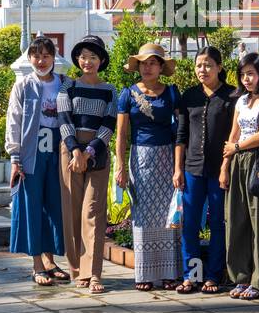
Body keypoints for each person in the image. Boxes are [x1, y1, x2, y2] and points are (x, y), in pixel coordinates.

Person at [115, 42, 182, 291]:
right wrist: (120, 166)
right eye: (144, 63)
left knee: (168, 214)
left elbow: (180, 133)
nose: (147, 67)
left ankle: (168, 272)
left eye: (153, 62)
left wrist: (178, 166)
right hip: (140, 158)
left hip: (167, 159)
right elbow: (121, 135)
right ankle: (144, 272)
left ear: (161, 67)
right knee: (142, 214)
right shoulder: (128, 94)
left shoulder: (172, 93)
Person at [5, 36, 69, 286]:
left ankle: (51, 260)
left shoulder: (64, 84)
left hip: (58, 151)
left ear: (54, 58)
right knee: (32, 206)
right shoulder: (23, 85)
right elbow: (14, 121)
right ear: (29, 58)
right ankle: (36, 265)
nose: (41, 61)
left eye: (46, 56)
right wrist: (15, 157)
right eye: (36, 56)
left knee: (54, 206)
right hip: (31, 155)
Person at [219, 52, 259, 300]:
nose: (247, 79)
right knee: (236, 220)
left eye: (251, 74)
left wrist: (235, 148)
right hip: (238, 161)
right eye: (243, 74)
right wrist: (225, 166)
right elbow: (233, 135)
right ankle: (241, 277)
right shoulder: (241, 101)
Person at [174, 46, 237, 294]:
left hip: (219, 171)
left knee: (219, 223)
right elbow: (181, 135)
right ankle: (192, 275)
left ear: (220, 67)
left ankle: (213, 275)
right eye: (199, 65)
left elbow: (234, 135)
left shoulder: (232, 96)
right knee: (190, 224)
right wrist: (178, 169)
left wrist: (226, 167)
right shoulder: (189, 96)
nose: (203, 69)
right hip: (192, 169)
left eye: (209, 65)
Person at [58, 35, 116, 294]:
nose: (87, 61)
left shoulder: (109, 90)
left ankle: (94, 273)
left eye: (93, 57)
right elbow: (63, 119)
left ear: (101, 60)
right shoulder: (67, 87)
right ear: (77, 60)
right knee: (72, 209)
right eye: (83, 56)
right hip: (70, 150)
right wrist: (75, 150)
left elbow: (109, 123)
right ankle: (76, 269)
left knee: (93, 210)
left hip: (97, 150)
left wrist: (89, 151)